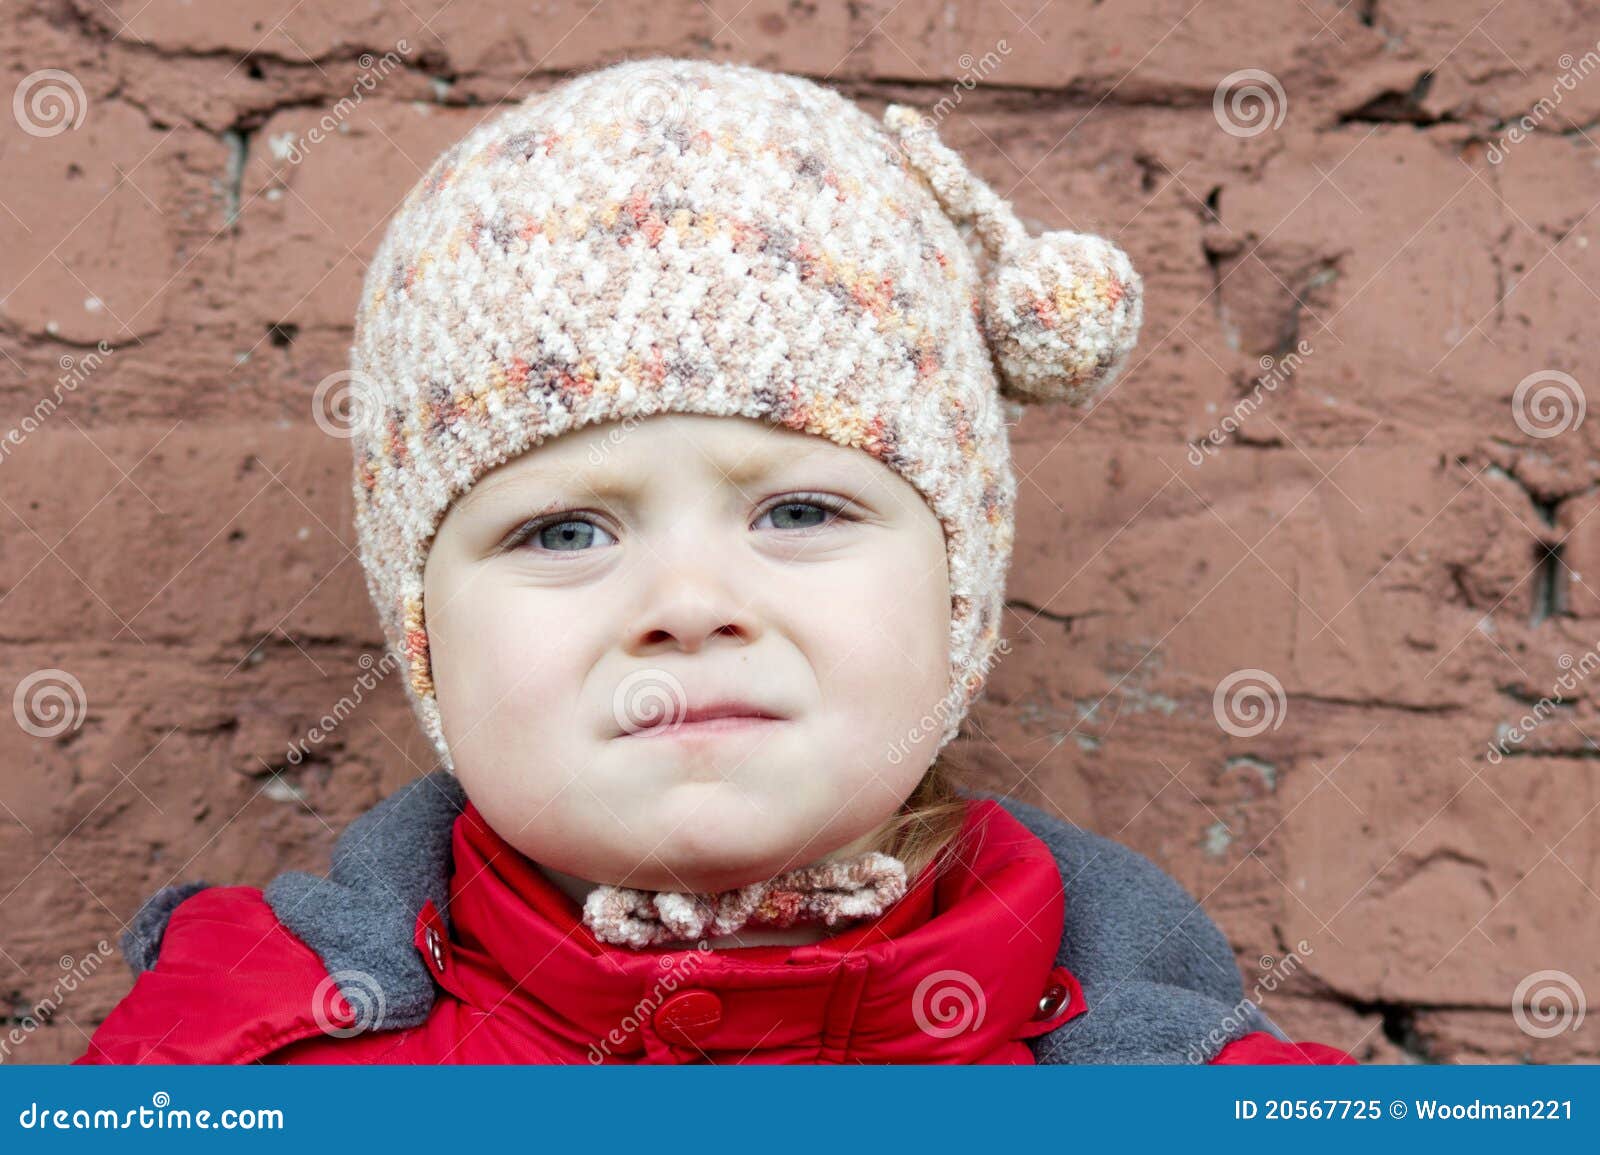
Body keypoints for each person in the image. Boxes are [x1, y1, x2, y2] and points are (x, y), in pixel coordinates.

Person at [78, 56, 1354, 1066]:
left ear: (960, 600)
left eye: (799, 514)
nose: (689, 608)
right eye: (564, 532)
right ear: (422, 637)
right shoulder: (225, 1068)